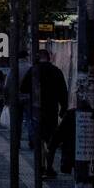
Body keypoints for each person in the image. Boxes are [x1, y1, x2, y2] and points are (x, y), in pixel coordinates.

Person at [21, 49, 68, 177]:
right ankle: (49, 167)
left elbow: (23, 87)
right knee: (51, 140)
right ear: (49, 58)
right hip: (51, 109)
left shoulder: (34, 70)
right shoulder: (56, 71)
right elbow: (63, 91)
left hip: (37, 109)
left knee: (39, 139)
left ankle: (40, 166)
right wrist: (64, 108)